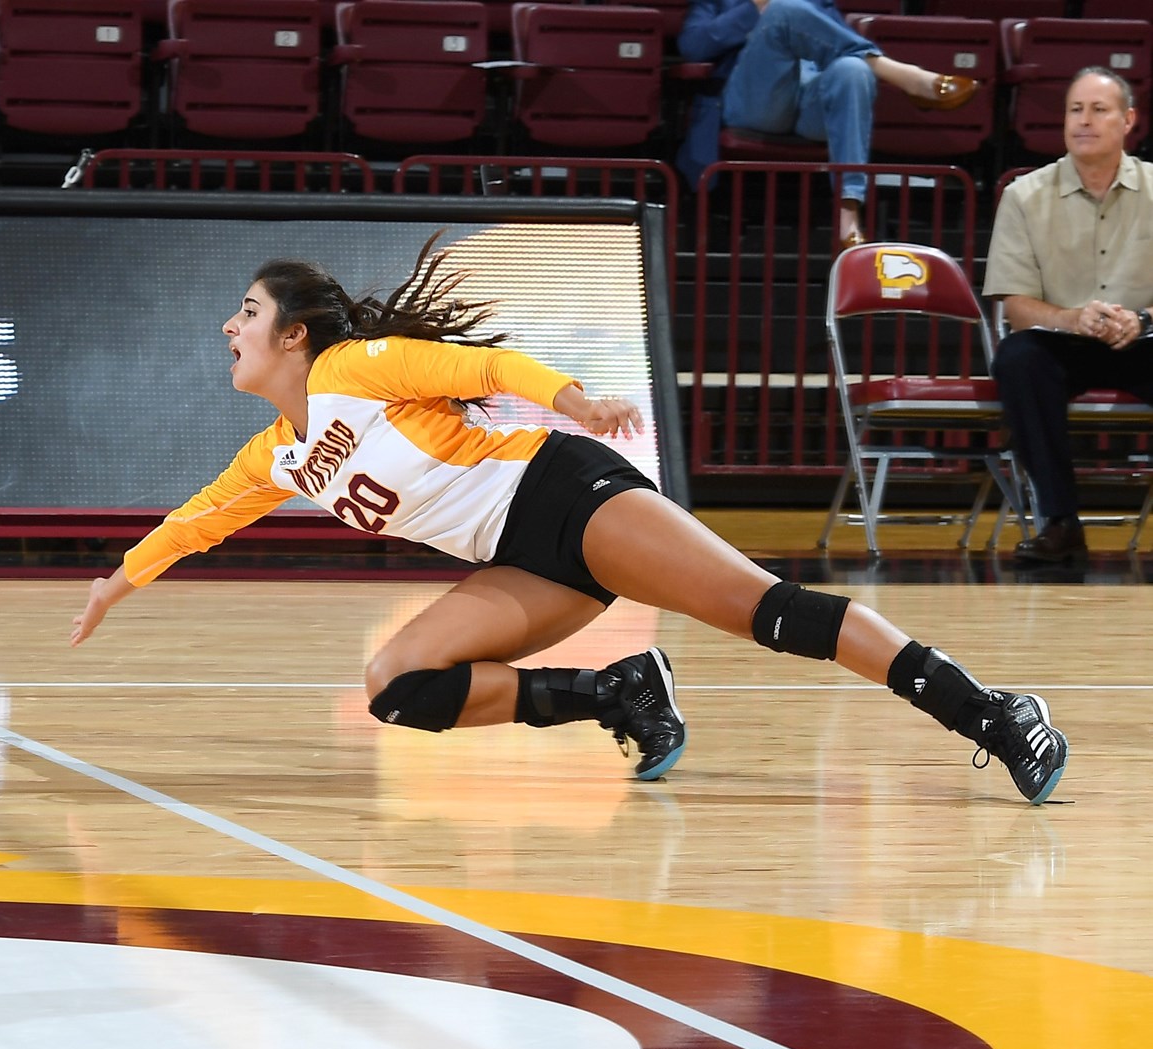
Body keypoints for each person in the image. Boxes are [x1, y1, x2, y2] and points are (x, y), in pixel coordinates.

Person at [68, 234, 1069, 804]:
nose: (229, 326)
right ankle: (620, 693)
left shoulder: (352, 369)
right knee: (399, 686)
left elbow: (488, 368)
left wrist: (577, 401)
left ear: (293, 335)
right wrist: (118, 580)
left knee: (771, 611)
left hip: (559, 490)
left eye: (245, 311)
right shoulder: (277, 455)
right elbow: (200, 519)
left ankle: (990, 710)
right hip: (516, 556)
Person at [984, 66, 1153, 566]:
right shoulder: (1024, 195)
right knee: (1018, 358)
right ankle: (1060, 522)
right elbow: (1016, 304)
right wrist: (1073, 318)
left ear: (1128, 120)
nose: (1084, 120)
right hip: (1062, 341)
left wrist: (1143, 319)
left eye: (1098, 110)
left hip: (1144, 338)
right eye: (1075, 109)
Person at [677, 0, 978, 249]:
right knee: (783, 9)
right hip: (755, 104)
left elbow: (845, 46)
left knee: (853, 69)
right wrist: (754, 8)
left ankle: (848, 215)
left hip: (811, 104)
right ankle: (908, 78)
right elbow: (692, 46)